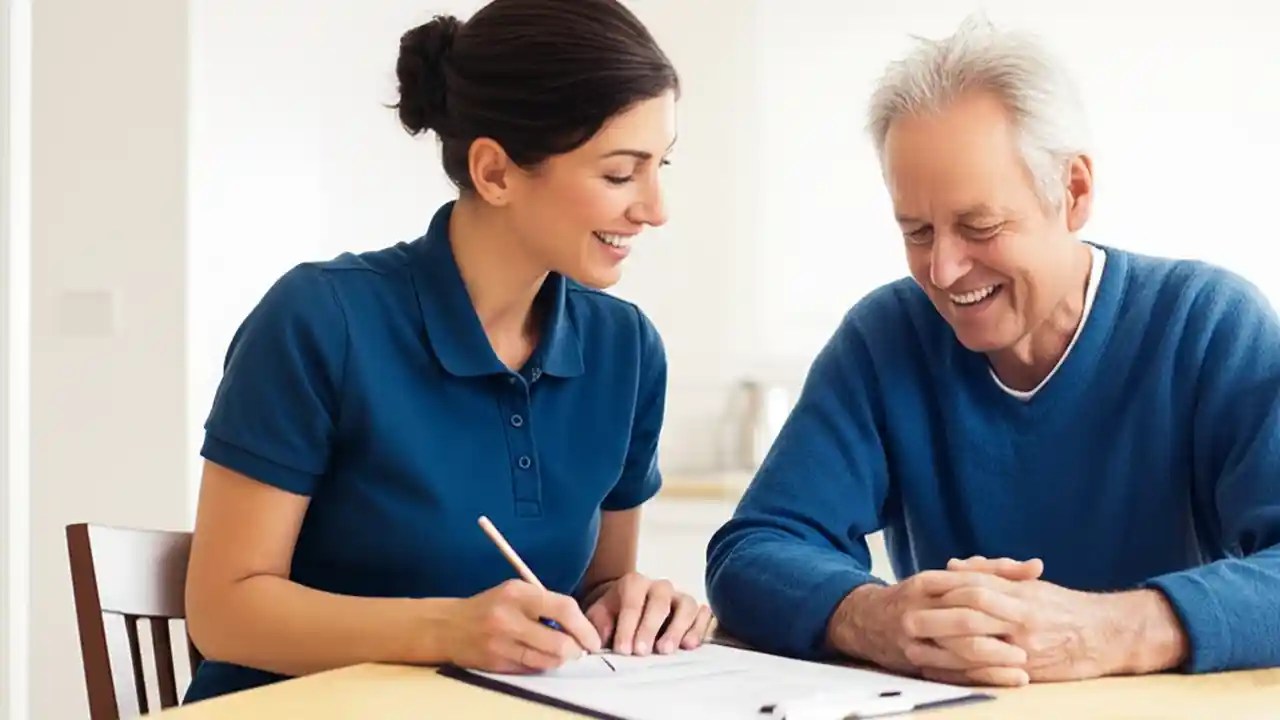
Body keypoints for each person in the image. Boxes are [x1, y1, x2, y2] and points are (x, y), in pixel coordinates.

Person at [705, 15, 1280, 687]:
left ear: (1073, 192)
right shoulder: (885, 337)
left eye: (980, 226)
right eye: (917, 231)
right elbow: (752, 551)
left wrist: (1109, 632)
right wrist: (874, 616)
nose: (944, 271)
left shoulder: (1206, 324)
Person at [182, 0, 711, 703]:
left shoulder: (626, 350)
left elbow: (597, 587)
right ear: (494, 172)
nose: (656, 208)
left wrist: (632, 603)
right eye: (620, 174)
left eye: (661, 166)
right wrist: (447, 630)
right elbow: (225, 612)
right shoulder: (322, 319)